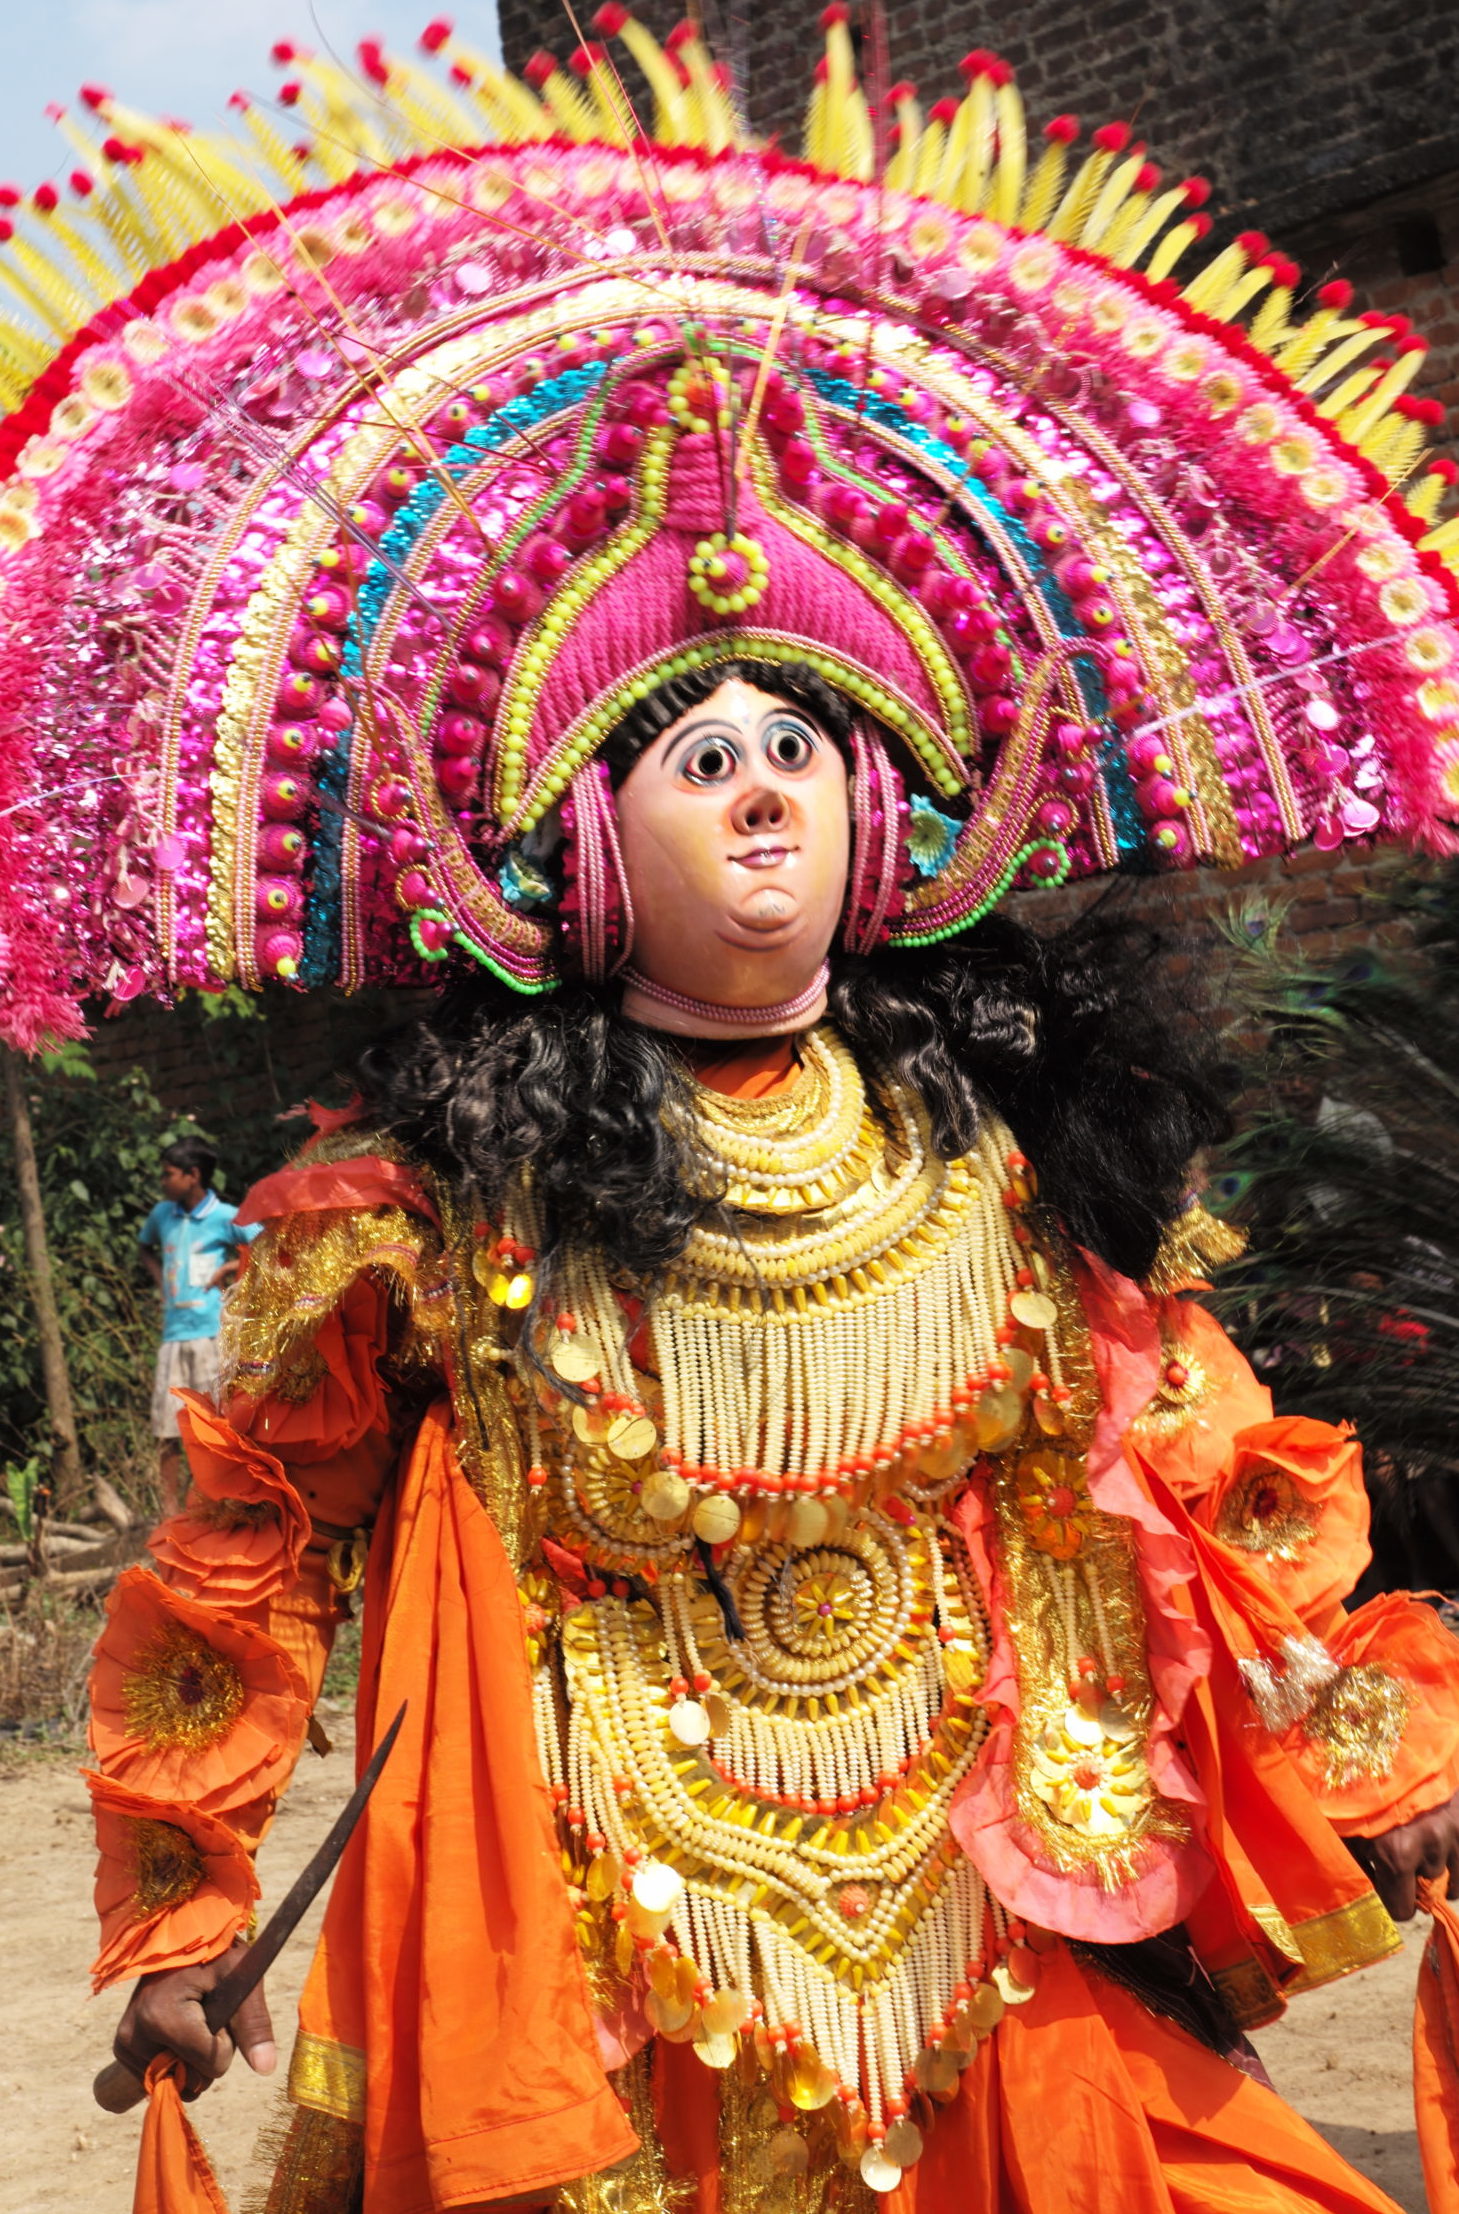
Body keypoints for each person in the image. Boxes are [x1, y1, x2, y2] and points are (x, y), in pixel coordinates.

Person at [1, 15, 1458, 2214]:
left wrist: (1375, 1766)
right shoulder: (434, 1219)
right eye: (700, 758)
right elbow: (241, 1574)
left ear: (889, 816)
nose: (763, 786)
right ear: (581, 848)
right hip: (605, 1927)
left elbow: (1208, 1474)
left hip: (999, 1902)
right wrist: (189, 1924)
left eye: (806, 744)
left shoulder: (1002, 1153)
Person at [137, 1139, 261, 1519]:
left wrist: (229, 1269)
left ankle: (220, 1497)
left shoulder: (225, 1216)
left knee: (217, 1421)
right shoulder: (162, 1215)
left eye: (168, 1175)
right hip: (174, 1335)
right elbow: (145, 1247)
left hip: (211, 1334)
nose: (162, 1181)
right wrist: (161, 1283)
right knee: (167, 1425)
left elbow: (265, 1245)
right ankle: (171, 1509)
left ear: (193, 1176)